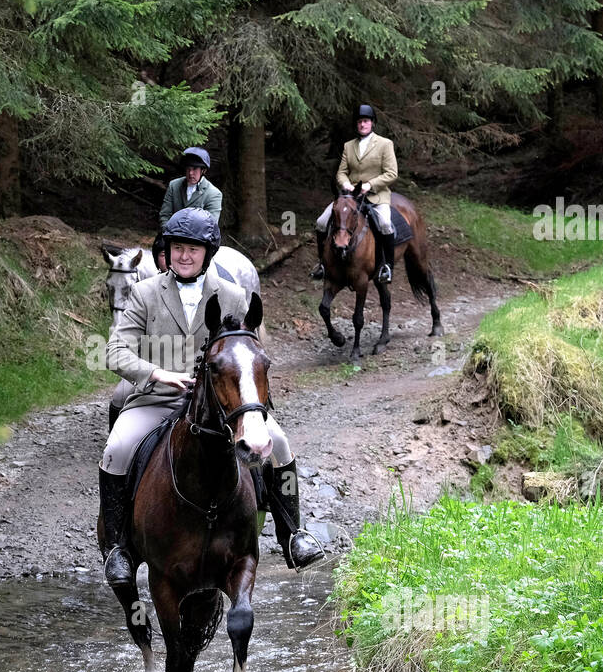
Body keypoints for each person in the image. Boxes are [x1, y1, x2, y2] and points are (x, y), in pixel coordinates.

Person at [99, 207, 325, 580]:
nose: (184, 256)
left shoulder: (234, 295)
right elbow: (115, 352)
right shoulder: (143, 293)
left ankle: (292, 535)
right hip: (158, 399)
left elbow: (251, 353)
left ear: (208, 253)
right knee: (117, 448)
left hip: (222, 406)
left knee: (280, 443)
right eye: (177, 248)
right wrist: (157, 373)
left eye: (193, 249)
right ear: (167, 251)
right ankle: (118, 548)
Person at [311, 105, 399, 283]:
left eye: (366, 121)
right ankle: (322, 264)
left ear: (372, 123)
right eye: (359, 122)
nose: (362, 124)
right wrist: (344, 183)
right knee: (321, 222)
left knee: (384, 224)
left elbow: (391, 173)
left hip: (376, 196)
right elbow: (341, 172)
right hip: (350, 197)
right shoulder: (348, 146)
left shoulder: (385, 144)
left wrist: (369, 185)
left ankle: (387, 267)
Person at [154, 147, 222, 272]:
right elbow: (165, 215)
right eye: (188, 169)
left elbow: (210, 225)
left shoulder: (213, 194)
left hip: (198, 242)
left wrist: (187, 242)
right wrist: (172, 237)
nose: (191, 173)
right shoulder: (174, 185)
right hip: (172, 238)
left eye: (195, 169)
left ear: (203, 170)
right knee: (159, 254)